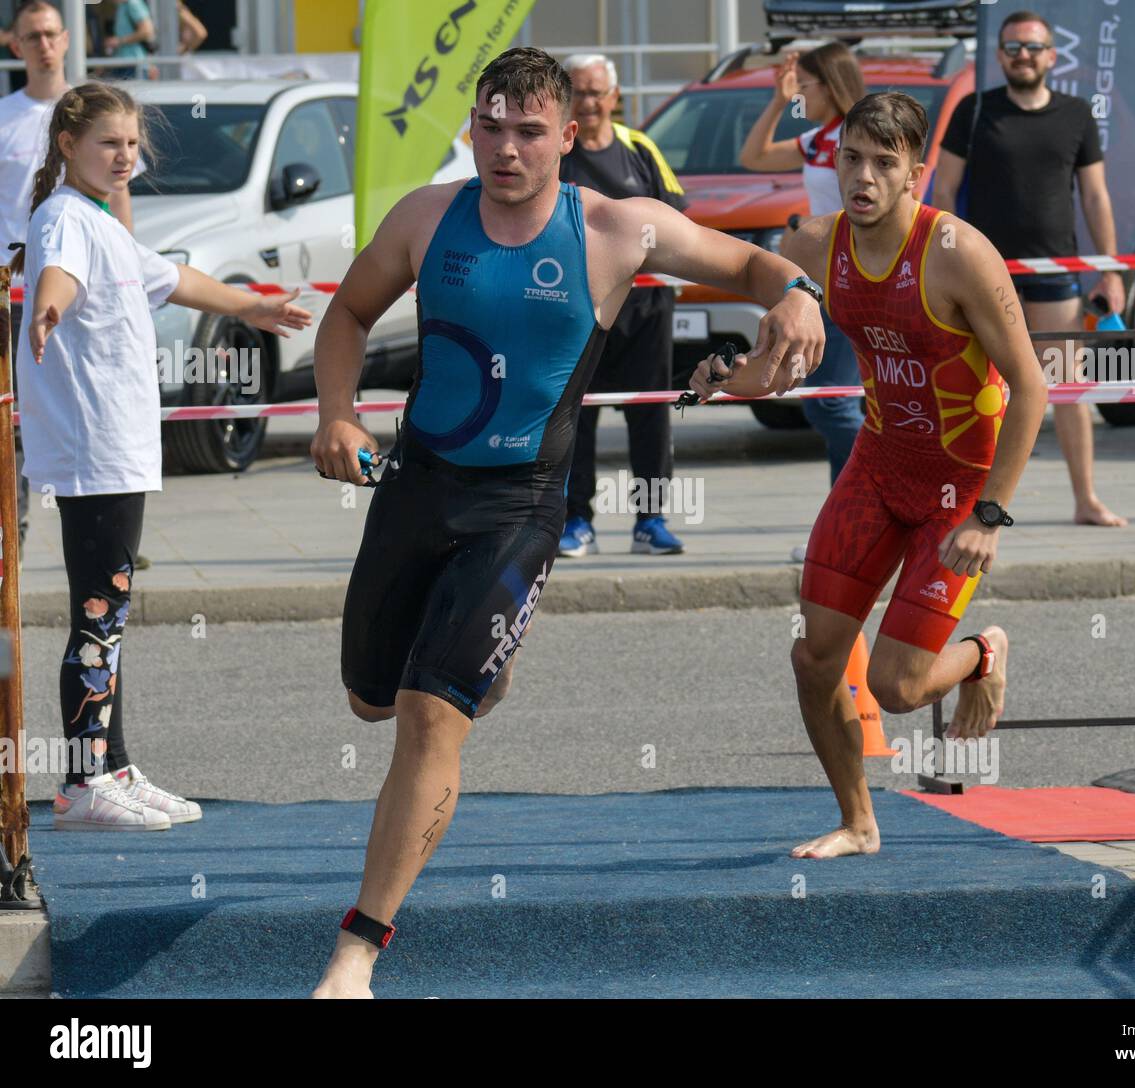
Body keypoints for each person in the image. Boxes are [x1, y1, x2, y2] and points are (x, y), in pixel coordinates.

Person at [308, 46, 823, 997]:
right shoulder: (428, 218)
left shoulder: (616, 230)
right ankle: (477, 670)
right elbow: (344, 315)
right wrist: (338, 413)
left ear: (571, 134)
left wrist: (797, 293)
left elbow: (753, 263)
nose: (506, 149)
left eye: (529, 131)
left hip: (521, 505)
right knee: (370, 700)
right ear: (472, 126)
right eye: (490, 127)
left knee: (429, 720)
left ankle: (358, 949)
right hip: (417, 489)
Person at [691, 91, 1047, 859]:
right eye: (852, 158)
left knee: (899, 686)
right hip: (877, 468)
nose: (864, 177)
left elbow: (1032, 387)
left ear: (916, 172)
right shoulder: (815, 245)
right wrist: (728, 378)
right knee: (813, 656)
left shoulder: (958, 253)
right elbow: (778, 368)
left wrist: (989, 516)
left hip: (956, 490)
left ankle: (984, 654)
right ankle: (859, 821)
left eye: (885, 163)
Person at [13, 81, 310, 830]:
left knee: (108, 612)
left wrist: (254, 306)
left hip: (121, 444)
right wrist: (48, 307)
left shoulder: (105, 221)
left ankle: (112, 764)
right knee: (97, 609)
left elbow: (173, 279)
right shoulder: (64, 219)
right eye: (109, 143)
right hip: (94, 445)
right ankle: (83, 782)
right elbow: (57, 275)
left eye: (132, 143)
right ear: (67, 147)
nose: (125, 155)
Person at [933, 8, 1127, 528]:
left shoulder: (1076, 114)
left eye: (1033, 47)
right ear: (999, 55)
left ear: (1051, 56)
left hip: (1056, 273)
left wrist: (1109, 269)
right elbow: (944, 189)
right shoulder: (975, 110)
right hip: (982, 274)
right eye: (1013, 48)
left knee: (1066, 390)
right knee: (981, 393)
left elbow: (1095, 195)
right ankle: (973, 505)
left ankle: (1085, 499)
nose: (1023, 56)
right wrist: (945, 257)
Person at [2, 0, 142, 564]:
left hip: (80, 299)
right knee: (13, 427)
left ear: (66, 39)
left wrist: (126, 271)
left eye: (52, 34)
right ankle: (12, 541)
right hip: (17, 295)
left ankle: (104, 528)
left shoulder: (94, 116)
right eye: (32, 36)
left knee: (93, 412)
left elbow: (119, 197)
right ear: (15, 45)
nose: (44, 45)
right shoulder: (6, 114)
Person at [556, 52, 688, 557]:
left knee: (651, 416)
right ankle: (575, 521)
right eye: (577, 91)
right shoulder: (555, 151)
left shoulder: (640, 148)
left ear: (615, 98)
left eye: (595, 92)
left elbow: (677, 222)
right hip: (575, 312)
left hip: (645, 313)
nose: (587, 102)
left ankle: (650, 521)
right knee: (574, 417)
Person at [740, 42, 867, 562]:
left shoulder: (856, 138)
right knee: (830, 404)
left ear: (830, 85)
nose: (800, 96)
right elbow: (752, 158)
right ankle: (850, 527)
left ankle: (866, 512)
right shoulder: (820, 139)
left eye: (805, 87)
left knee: (833, 406)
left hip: (855, 287)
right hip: (824, 284)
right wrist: (778, 100)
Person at [103, 0, 153, 80]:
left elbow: (147, 31)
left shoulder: (133, 3)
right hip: (122, 64)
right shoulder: (121, 6)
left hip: (134, 65)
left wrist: (119, 41)